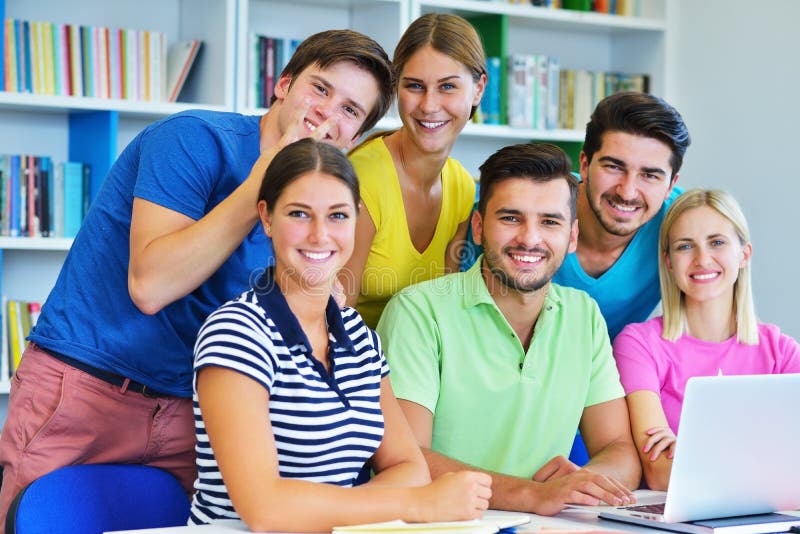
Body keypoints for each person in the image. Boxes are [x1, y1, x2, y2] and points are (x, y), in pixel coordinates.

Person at [0, 29, 394, 524]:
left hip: (192, 410)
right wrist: (258, 185)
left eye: (350, 110)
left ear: (354, 137)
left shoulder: (306, 208)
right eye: (320, 89)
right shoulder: (193, 139)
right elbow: (151, 286)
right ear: (283, 84)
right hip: (88, 390)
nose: (327, 113)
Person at [189, 138, 491, 530]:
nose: (319, 235)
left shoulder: (359, 337)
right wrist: (417, 505)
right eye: (299, 214)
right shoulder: (236, 334)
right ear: (266, 218)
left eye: (337, 215)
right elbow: (265, 511)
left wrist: (332, 508)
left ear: (356, 219)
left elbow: (408, 467)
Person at [377, 143, 641, 516]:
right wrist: (532, 495)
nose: (530, 239)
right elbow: (407, 461)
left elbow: (620, 450)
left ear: (572, 237)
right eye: (511, 218)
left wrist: (580, 483)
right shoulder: (419, 312)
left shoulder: (584, 315)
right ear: (479, 228)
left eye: (550, 222)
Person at [463, 91, 691, 340]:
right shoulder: (511, 212)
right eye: (613, 167)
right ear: (584, 163)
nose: (627, 191)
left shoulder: (684, 224)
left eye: (650, 175)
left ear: (671, 184)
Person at [612, 188, 800, 491]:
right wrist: (762, 458)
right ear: (669, 262)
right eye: (685, 246)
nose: (702, 259)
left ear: (744, 254)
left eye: (717, 242)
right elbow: (660, 472)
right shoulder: (638, 345)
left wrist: (687, 452)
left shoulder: (782, 353)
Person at [343, 13, 486, 328]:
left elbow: (442, 310)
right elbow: (335, 319)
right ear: (397, 88)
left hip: (415, 358)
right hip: (357, 366)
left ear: (478, 90)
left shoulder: (462, 186)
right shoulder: (363, 178)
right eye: (415, 86)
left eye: (447, 86)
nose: (429, 105)